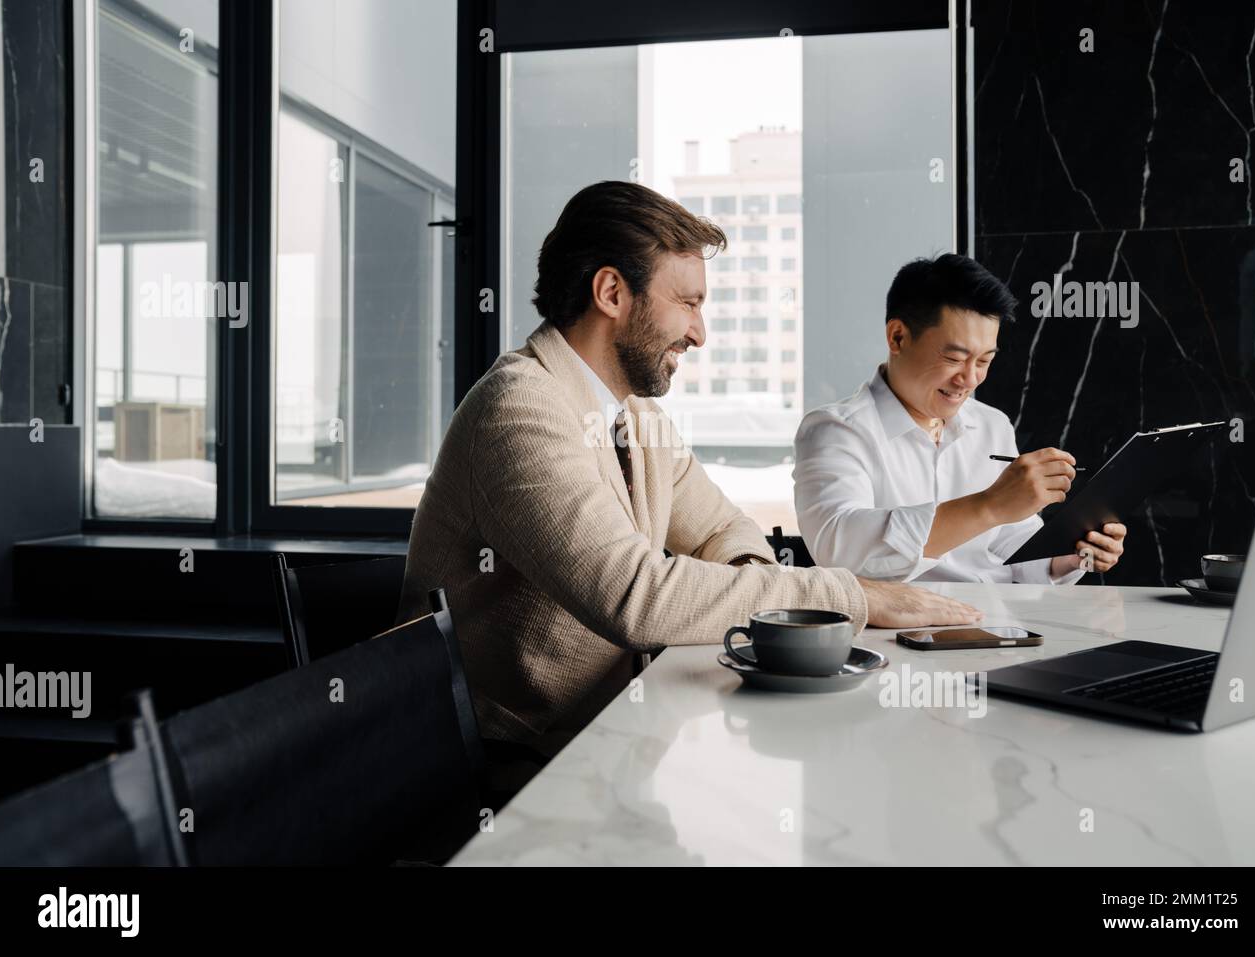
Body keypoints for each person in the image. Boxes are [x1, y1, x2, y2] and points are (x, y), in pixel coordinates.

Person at [398, 182, 980, 765]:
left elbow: (720, 527)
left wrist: (767, 610)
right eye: (689, 303)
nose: (700, 333)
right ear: (611, 293)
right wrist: (848, 595)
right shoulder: (519, 409)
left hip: (607, 737)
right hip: (498, 761)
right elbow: (637, 596)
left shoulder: (635, 414)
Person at [792, 253, 1127, 584]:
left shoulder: (991, 425)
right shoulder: (835, 430)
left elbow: (1012, 543)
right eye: (954, 357)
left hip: (997, 624)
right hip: (894, 630)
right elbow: (839, 549)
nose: (970, 379)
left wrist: (1072, 554)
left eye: (983, 361)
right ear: (897, 337)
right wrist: (989, 505)